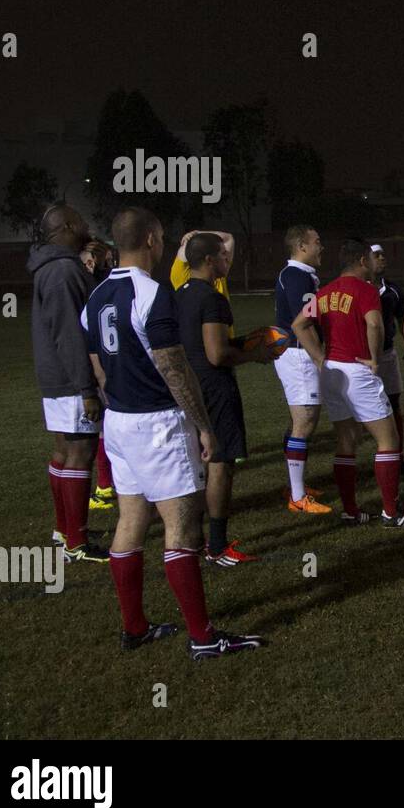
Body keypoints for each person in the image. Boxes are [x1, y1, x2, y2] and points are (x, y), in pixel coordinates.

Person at [84, 206, 265, 658]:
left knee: (129, 522)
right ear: (150, 239)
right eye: (161, 238)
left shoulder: (95, 297)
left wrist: (118, 409)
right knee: (182, 528)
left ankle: (135, 628)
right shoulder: (153, 293)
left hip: (119, 421)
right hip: (158, 422)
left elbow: (98, 371)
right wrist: (203, 426)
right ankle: (203, 638)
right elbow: (174, 367)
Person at [293, 239, 404, 527]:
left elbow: (299, 324)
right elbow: (374, 324)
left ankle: (350, 510)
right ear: (362, 261)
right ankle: (390, 513)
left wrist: (320, 357)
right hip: (357, 371)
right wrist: (373, 359)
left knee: (346, 440)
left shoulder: (324, 292)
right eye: (371, 260)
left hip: (332, 372)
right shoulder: (365, 289)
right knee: (388, 440)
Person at [176, 233, 274, 565]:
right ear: (208, 261)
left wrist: (246, 340)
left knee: (192, 467)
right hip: (214, 389)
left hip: (186, 387)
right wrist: (256, 354)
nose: (226, 260)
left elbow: (196, 342)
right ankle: (216, 546)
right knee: (220, 465)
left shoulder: (180, 294)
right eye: (222, 255)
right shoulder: (212, 298)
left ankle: (187, 538)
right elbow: (217, 354)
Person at [28, 204, 108, 561]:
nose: (88, 224)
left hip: (56, 377)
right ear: (69, 225)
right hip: (72, 380)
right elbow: (70, 334)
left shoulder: (55, 267)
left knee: (63, 453)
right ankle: (77, 543)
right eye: (83, 218)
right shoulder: (62, 270)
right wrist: (87, 388)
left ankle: (64, 532)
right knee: (79, 455)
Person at [274, 225, 331, 513]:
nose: (322, 247)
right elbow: (303, 322)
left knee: (303, 419)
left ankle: (295, 486)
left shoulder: (301, 275)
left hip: (298, 353)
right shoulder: (296, 277)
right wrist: (320, 358)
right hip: (298, 355)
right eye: (317, 241)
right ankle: (297, 497)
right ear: (301, 246)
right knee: (305, 420)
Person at [369, 242, 404, 475]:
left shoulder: (393, 290)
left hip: (387, 355)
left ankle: (398, 457)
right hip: (361, 358)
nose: (382, 259)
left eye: (383, 255)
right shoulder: (356, 288)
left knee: (394, 404)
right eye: (376, 255)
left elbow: (403, 316)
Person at [81, 236, 118, 512]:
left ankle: (105, 486)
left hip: (100, 366)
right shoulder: (112, 284)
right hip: (115, 363)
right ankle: (108, 484)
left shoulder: (90, 289)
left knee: (105, 432)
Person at [171, 229, 234, 298]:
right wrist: (194, 236)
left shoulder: (218, 278)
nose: (226, 258)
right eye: (223, 253)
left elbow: (228, 238)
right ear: (209, 259)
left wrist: (196, 233)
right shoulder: (181, 275)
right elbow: (189, 246)